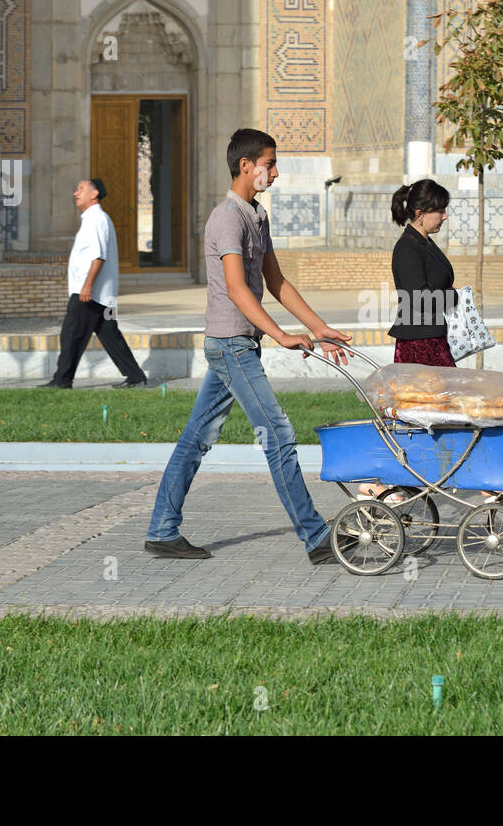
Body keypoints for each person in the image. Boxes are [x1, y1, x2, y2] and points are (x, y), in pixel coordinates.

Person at [145, 128, 352, 563]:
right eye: (270, 164)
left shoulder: (256, 215)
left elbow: (275, 281)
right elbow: (238, 290)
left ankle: (162, 529)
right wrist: (282, 335)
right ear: (246, 166)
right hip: (230, 344)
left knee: (197, 438)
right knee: (278, 434)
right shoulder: (227, 218)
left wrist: (320, 327)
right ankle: (316, 539)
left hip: (238, 344)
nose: (274, 173)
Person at [41, 178, 148, 389]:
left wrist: (87, 286)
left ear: (94, 193)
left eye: (80, 189)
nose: (75, 193)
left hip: (89, 293)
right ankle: (136, 377)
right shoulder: (95, 219)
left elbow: (98, 256)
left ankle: (62, 380)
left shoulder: (96, 219)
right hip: (102, 295)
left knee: (71, 333)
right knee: (110, 334)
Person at [388, 178, 455, 366]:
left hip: (432, 337)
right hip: (419, 343)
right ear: (420, 213)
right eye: (440, 211)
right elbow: (420, 299)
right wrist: (454, 296)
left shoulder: (423, 242)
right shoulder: (407, 248)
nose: (444, 216)